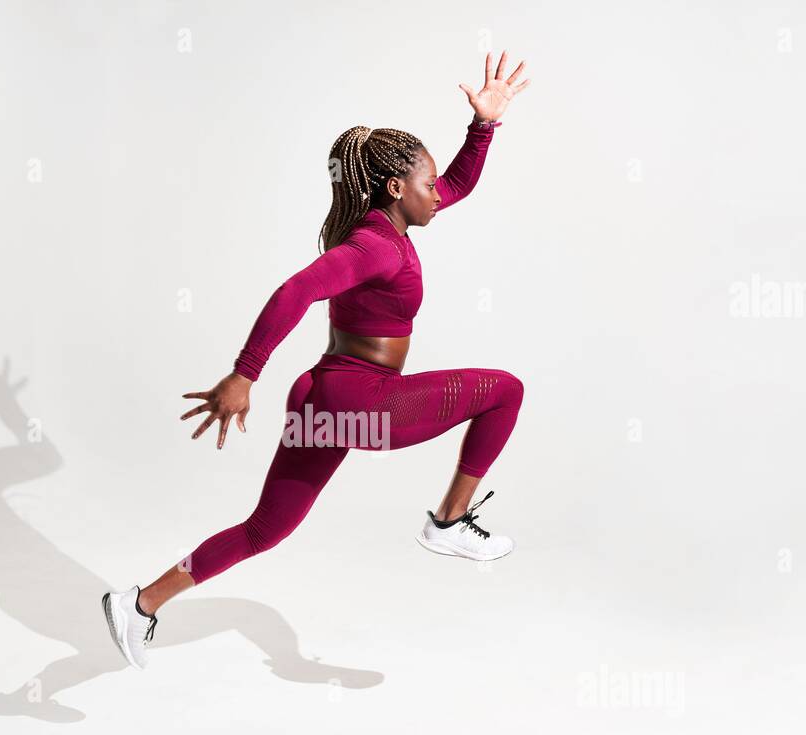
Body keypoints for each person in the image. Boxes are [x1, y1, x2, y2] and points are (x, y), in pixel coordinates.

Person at [104, 51, 532, 669]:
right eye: (425, 185)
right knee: (506, 390)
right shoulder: (371, 246)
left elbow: (457, 185)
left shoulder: (384, 227)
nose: (437, 195)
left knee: (264, 530)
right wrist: (244, 372)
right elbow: (295, 291)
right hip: (363, 404)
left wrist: (482, 126)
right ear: (395, 188)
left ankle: (137, 603)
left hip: (322, 399)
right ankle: (448, 521)